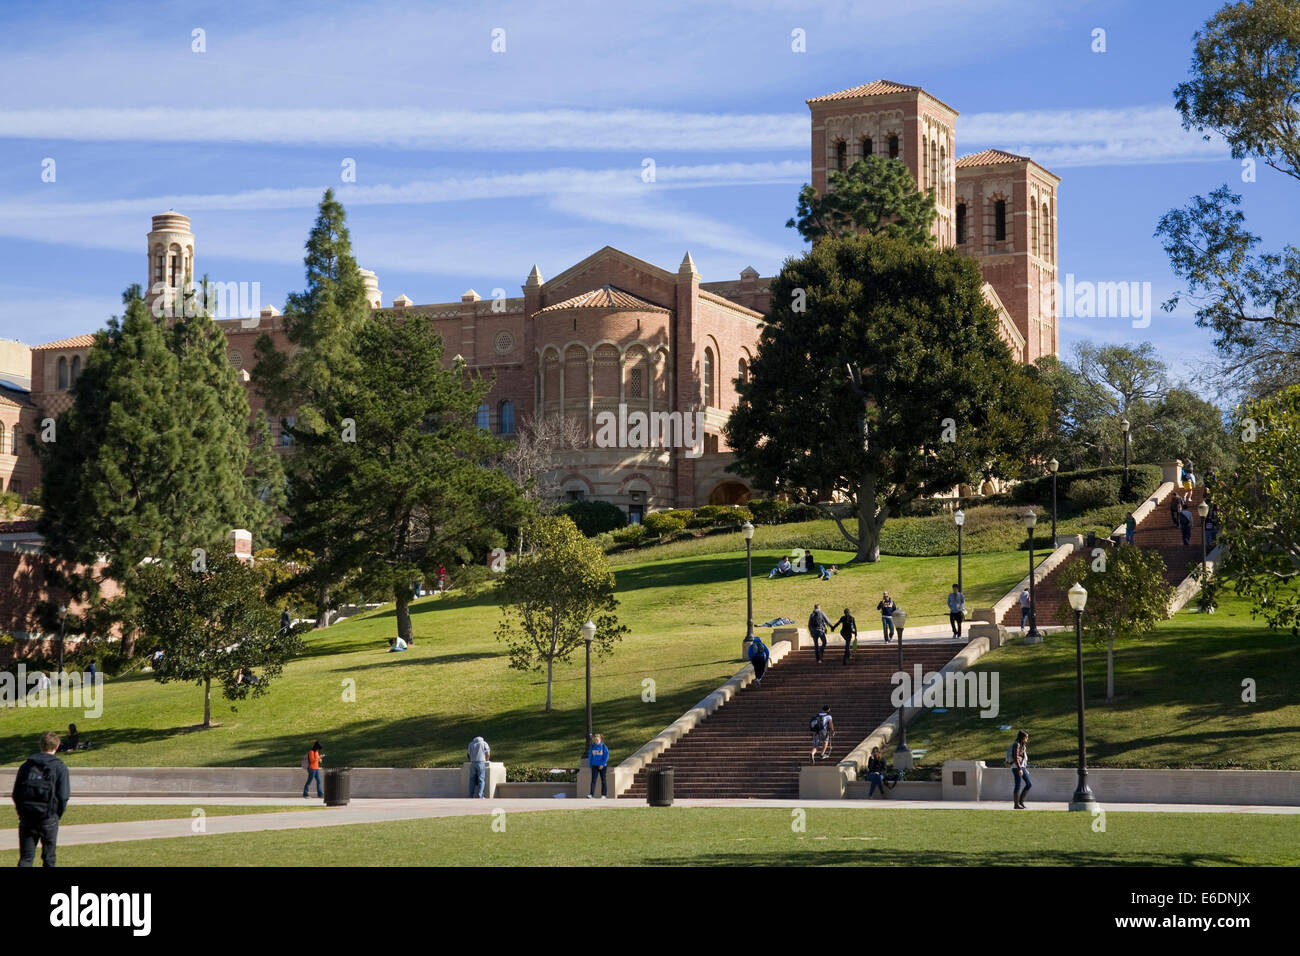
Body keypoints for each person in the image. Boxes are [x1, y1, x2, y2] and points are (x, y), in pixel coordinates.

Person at [11, 731, 71, 867]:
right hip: (48, 817)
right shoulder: (60, 767)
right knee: (49, 859)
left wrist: (22, 812)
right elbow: (63, 796)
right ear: (57, 746)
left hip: (27, 816)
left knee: (26, 858)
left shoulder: (26, 766)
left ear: (40, 745)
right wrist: (57, 815)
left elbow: (16, 793)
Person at [1011, 730, 1032, 809]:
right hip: (1016, 767)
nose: (1027, 739)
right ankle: (1016, 805)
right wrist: (1019, 769)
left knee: (1029, 783)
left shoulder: (1022, 745)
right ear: (1022, 737)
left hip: (1021, 766)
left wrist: (1023, 768)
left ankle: (1021, 802)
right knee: (1018, 785)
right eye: (1026, 737)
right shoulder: (1016, 744)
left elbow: (1022, 758)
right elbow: (1015, 757)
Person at [586, 733, 610, 798]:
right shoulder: (592, 747)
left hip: (602, 766)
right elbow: (590, 756)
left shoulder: (604, 747)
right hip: (594, 766)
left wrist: (602, 764)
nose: (596, 741)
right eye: (595, 740)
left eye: (597, 740)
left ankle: (603, 795)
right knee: (593, 780)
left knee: (603, 780)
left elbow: (606, 757)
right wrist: (590, 765)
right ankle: (591, 794)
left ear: (600, 740)